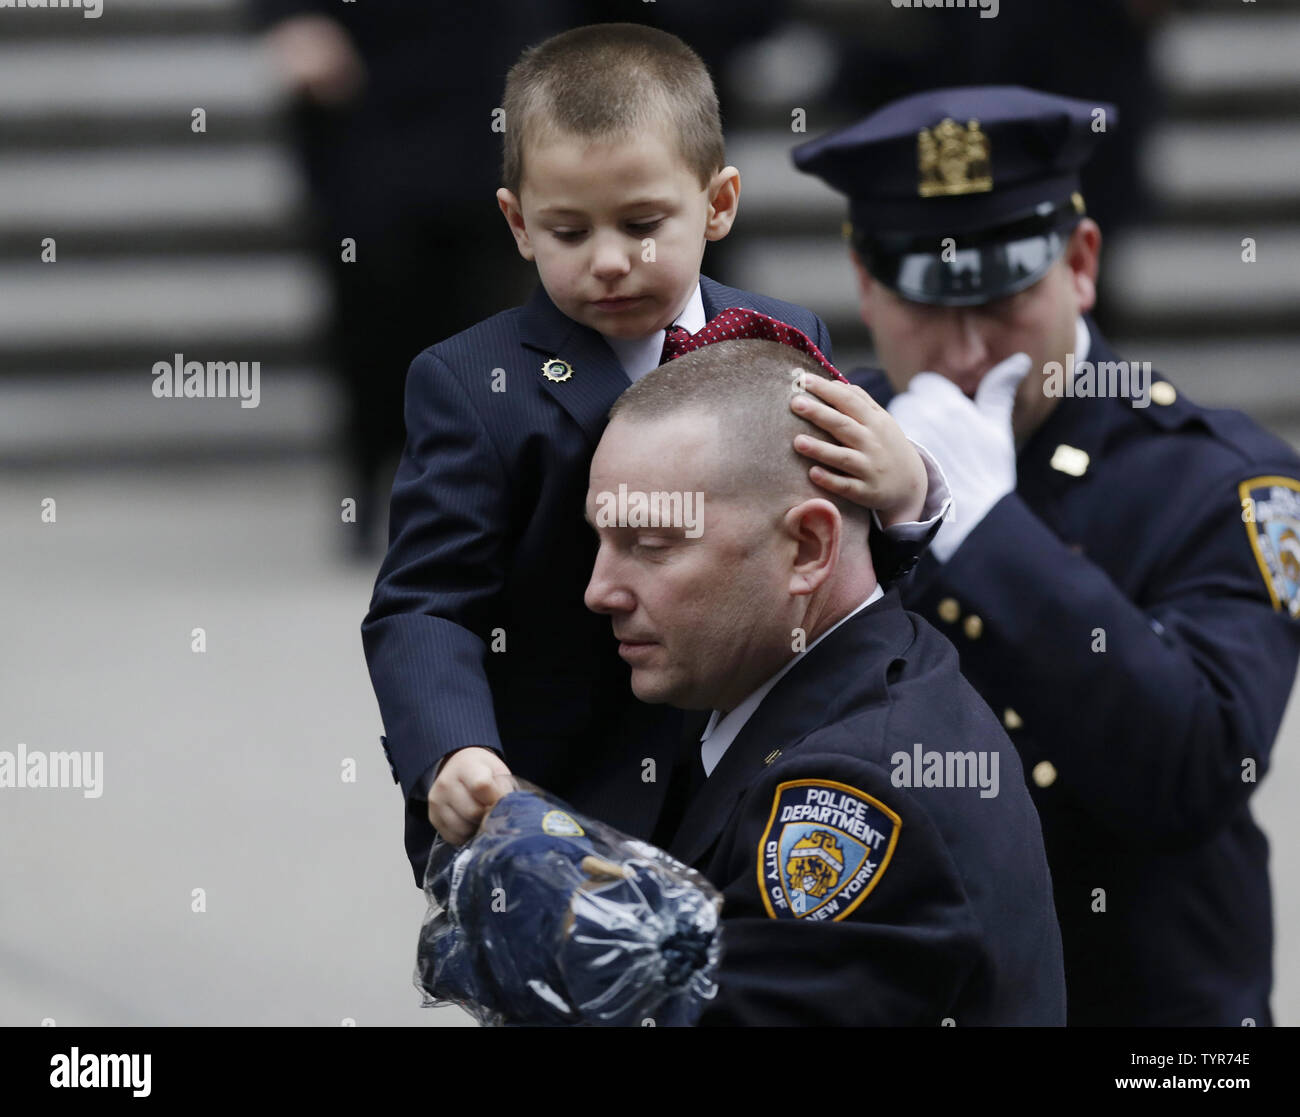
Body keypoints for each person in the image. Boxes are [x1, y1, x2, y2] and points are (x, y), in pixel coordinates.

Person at [360, 24, 948, 888]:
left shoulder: (786, 338)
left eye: (642, 224)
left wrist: (905, 499)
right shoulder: (473, 384)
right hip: (574, 809)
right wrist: (453, 748)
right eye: (567, 230)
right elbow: (424, 604)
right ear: (518, 223)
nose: (607, 261)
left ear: (718, 204)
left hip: (773, 789)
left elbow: (834, 564)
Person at [789, 85, 1300, 1026]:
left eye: (1007, 295)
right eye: (928, 305)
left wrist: (983, 526)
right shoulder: (813, 457)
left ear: (1081, 262)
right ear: (866, 283)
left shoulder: (1219, 480)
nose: (971, 346)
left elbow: (1195, 767)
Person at [582, 336, 1065, 1025]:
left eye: (651, 545)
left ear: (808, 547)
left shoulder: (850, 792)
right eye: (598, 539)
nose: (599, 590)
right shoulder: (774, 668)